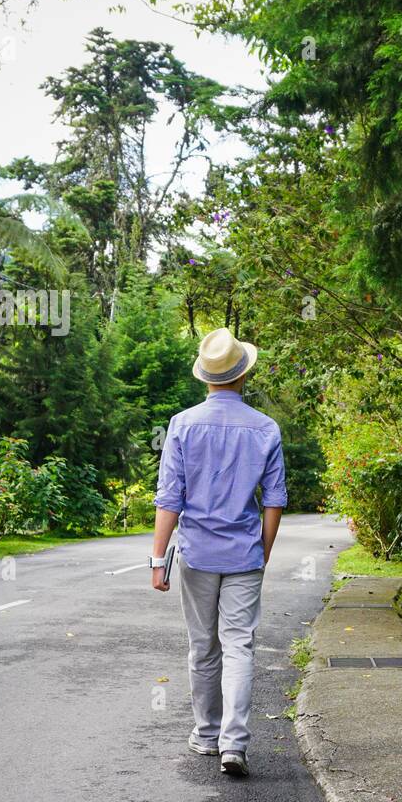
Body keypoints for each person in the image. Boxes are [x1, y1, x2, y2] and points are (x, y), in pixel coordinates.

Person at [150, 328, 287, 777]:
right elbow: (274, 499)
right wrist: (261, 553)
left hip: (197, 554)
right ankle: (234, 744)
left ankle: (206, 734)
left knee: (202, 646)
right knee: (240, 646)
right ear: (242, 375)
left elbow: (170, 497)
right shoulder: (265, 428)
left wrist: (157, 559)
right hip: (244, 554)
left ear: (205, 377)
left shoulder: (182, 424)